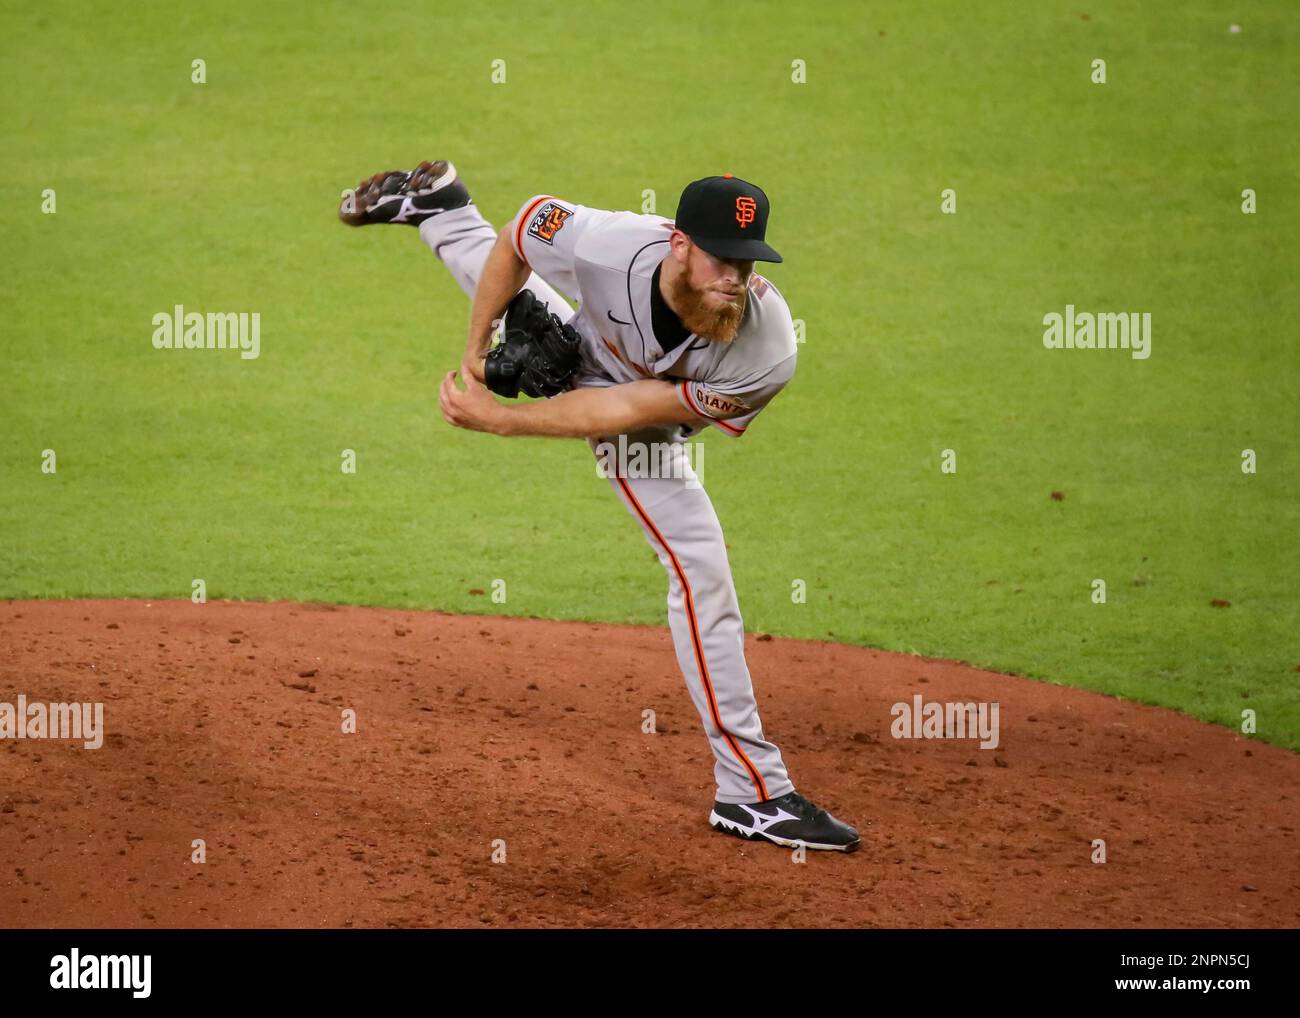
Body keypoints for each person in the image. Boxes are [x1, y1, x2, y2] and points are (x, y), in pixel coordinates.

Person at [339, 160, 860, 852]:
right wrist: (473, 352)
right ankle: (753, 793)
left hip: (644, 410)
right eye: (721, 259)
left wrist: (502, 420)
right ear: (679, 244)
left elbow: (628, 409)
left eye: (747, 261)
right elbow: (523, 231)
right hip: (607, 356)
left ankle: (440, 209)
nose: (735, 277)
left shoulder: (767, 351)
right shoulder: (607, 244)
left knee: (689, 549)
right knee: (700, 568)